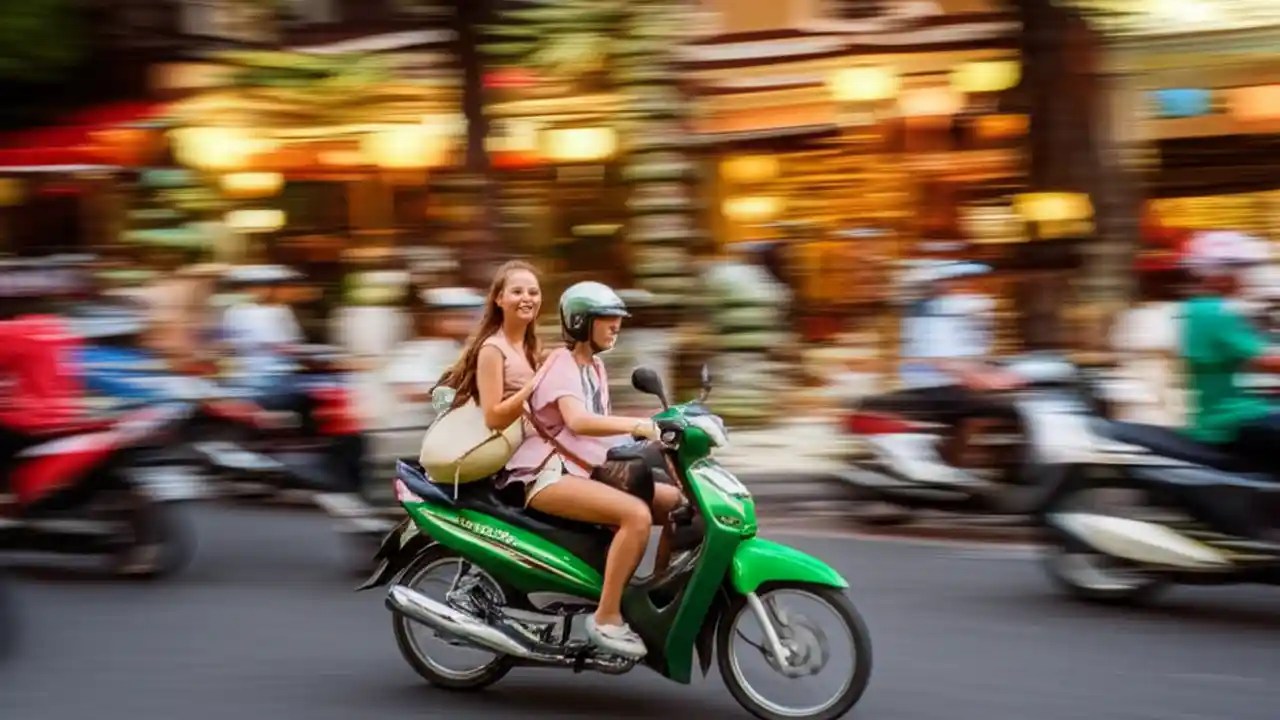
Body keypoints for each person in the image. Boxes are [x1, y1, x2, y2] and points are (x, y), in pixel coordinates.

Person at [500, 281, 680, 660]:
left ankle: (660, 595)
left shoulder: (595, 367)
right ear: (582, 323)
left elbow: (601, 436)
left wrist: (659, 439)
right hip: (546, 475)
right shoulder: (561, 364)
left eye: (618, 319)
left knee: (679, 503)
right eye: (608, 319)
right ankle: (607, 616)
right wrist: (637, 424)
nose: (616, 326)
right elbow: (579, 422)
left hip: (582, 470)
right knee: (636, 515)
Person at [898, 261, 1021, 467]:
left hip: (945, 384)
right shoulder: (936, 314)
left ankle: (958, 460)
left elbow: (967, 357)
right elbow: (941, 360)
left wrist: (992, 373)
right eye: (962, 283)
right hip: (937, 387)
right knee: (1010, 411)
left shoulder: (947, 312)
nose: (971, 289)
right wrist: (982, 378)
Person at [1180, 231, 1280, 477]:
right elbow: (1269, 361)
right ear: (1221, 273)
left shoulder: (1197, 308)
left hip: (1228, 413)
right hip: (1232, 419)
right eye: (1244, 269)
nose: (1249, 276)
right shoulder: (1217, 311)